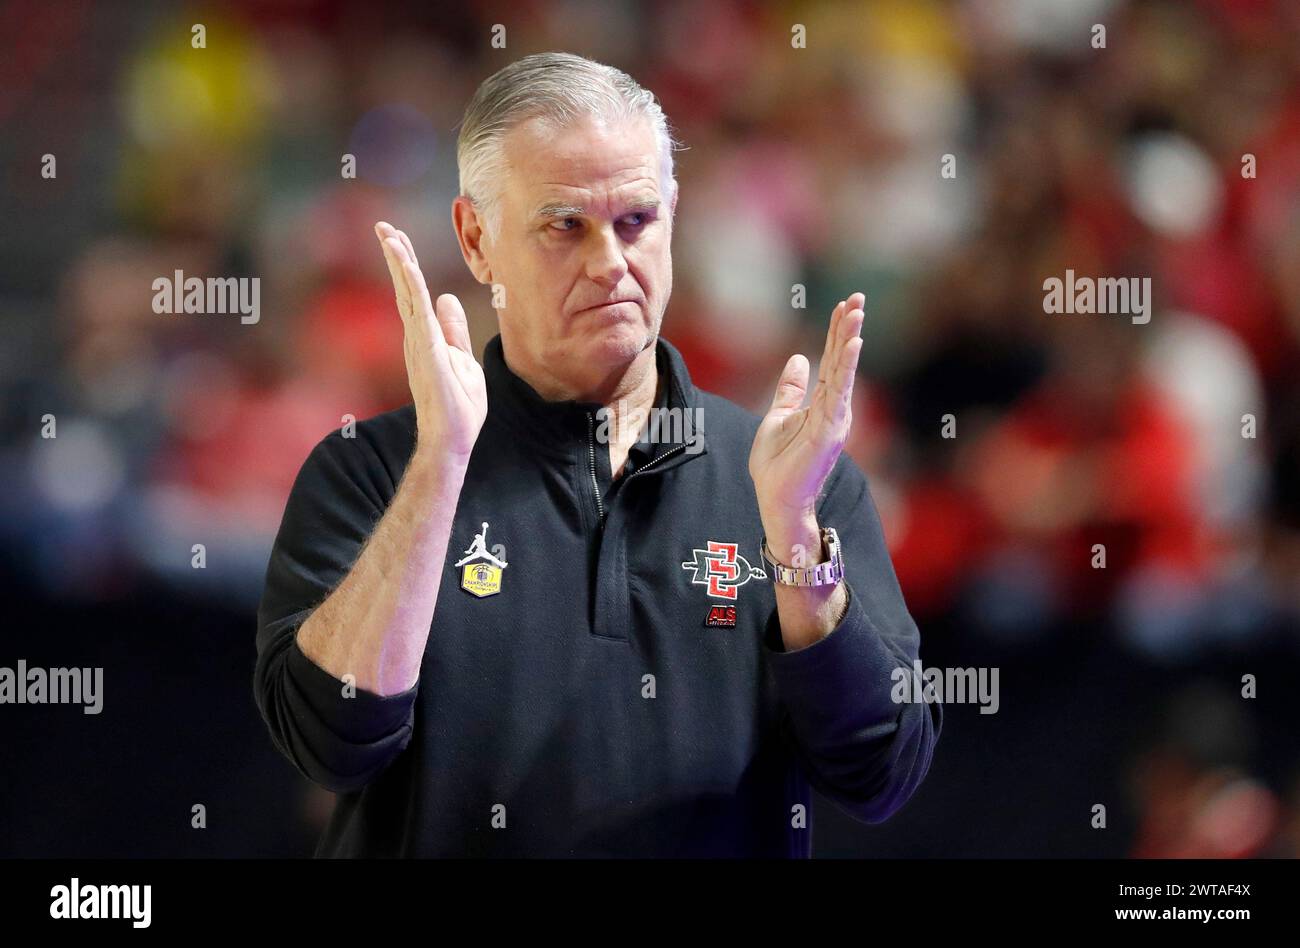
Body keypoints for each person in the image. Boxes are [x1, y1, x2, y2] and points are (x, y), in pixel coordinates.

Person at [254, 51, 941, 857]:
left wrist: (792, 537)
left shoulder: (789, 480)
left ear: (674, 216)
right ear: (477, 239)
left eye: (636, 221)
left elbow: (882, 773)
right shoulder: (371, 471)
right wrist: (441, 466)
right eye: (565, 225)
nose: (611, 262)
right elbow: (332, 741)